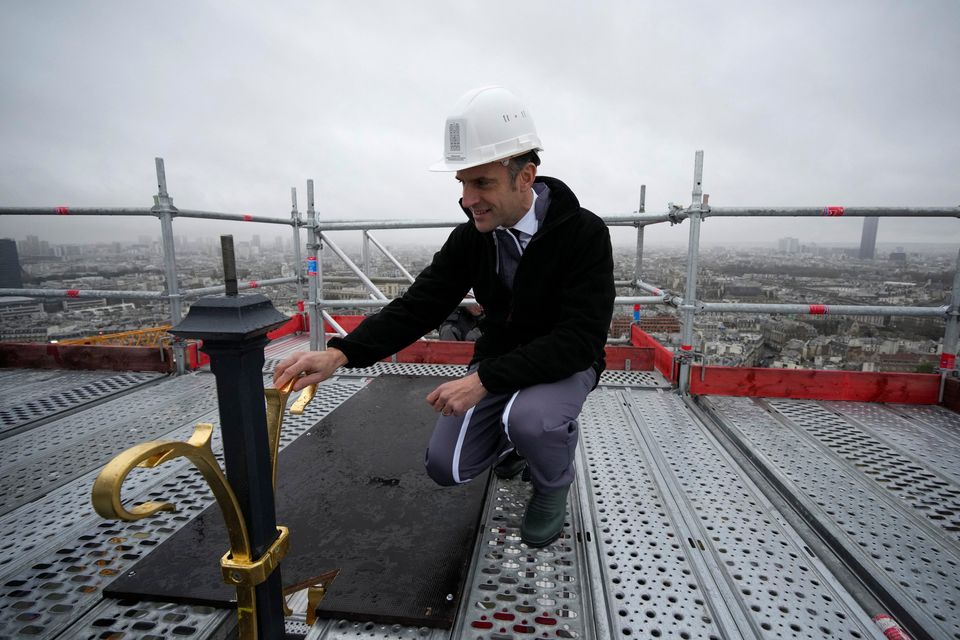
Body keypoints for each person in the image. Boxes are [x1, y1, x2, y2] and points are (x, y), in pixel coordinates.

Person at [274, 86, 615, 547]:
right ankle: (519, 446)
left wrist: (485, 380)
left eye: (482, 183)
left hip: (564, 365)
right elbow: (421, 304)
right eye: (462, 184)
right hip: (502, 361)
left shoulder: (583, 234)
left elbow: (579, 339)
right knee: (446, 467)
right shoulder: (473, 238)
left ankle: (552, 484)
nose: (467, 198)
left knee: (532, 419)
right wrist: (341, 353)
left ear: (525, 176)